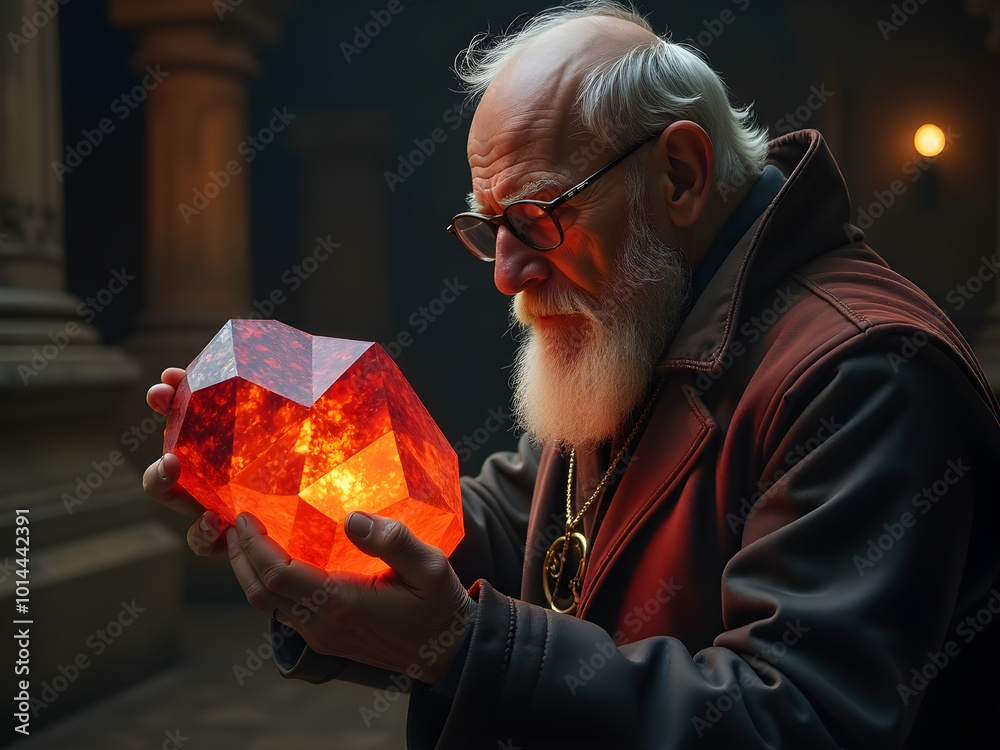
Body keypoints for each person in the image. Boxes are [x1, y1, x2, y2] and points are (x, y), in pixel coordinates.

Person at [143, 2, 1000, 748]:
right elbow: (516, 526)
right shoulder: (646, 314)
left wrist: (462, 647)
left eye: (535, 216)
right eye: (488, 226)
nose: (505, 273)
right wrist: (308, 512)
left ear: (680, 175)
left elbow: (794, 722)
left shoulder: (868, 372)